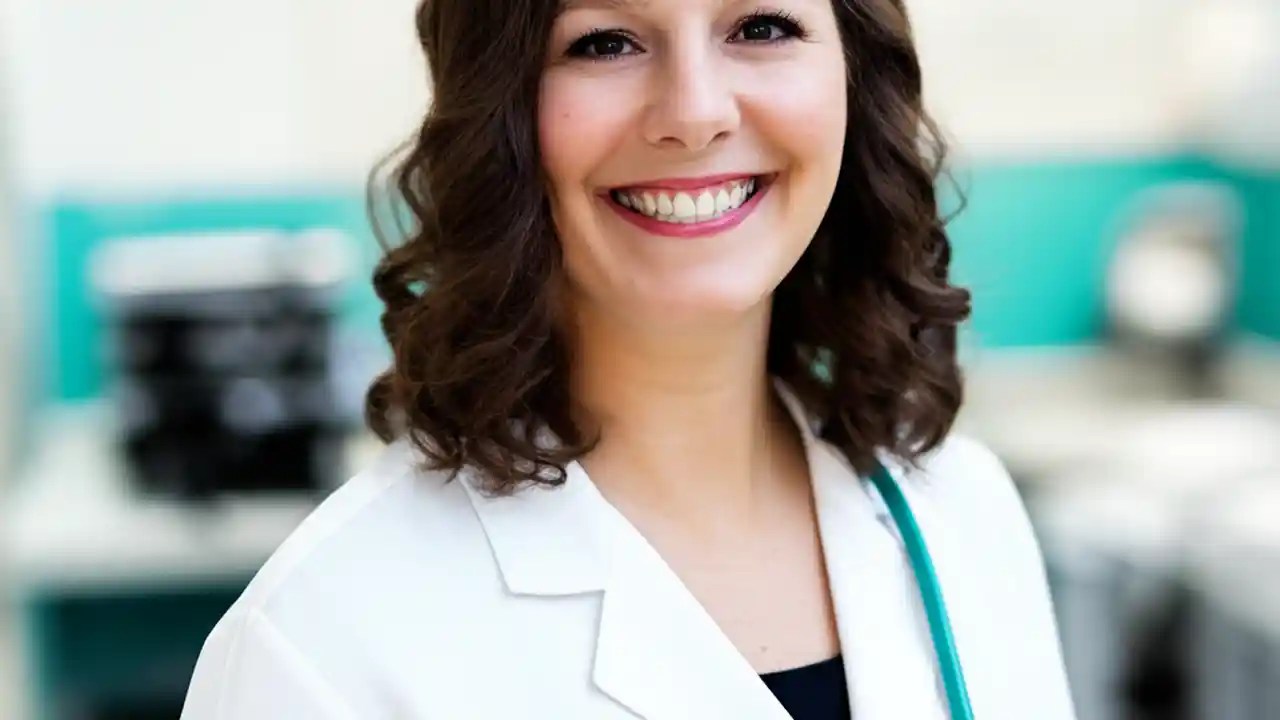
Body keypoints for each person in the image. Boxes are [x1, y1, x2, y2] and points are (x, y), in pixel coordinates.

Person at [180, 0, 1077, 717]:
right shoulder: (319, 647)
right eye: (605, 41)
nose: (693, 111)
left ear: (853, 78)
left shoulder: (963, 514)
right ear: (501, 112)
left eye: (762, 27)